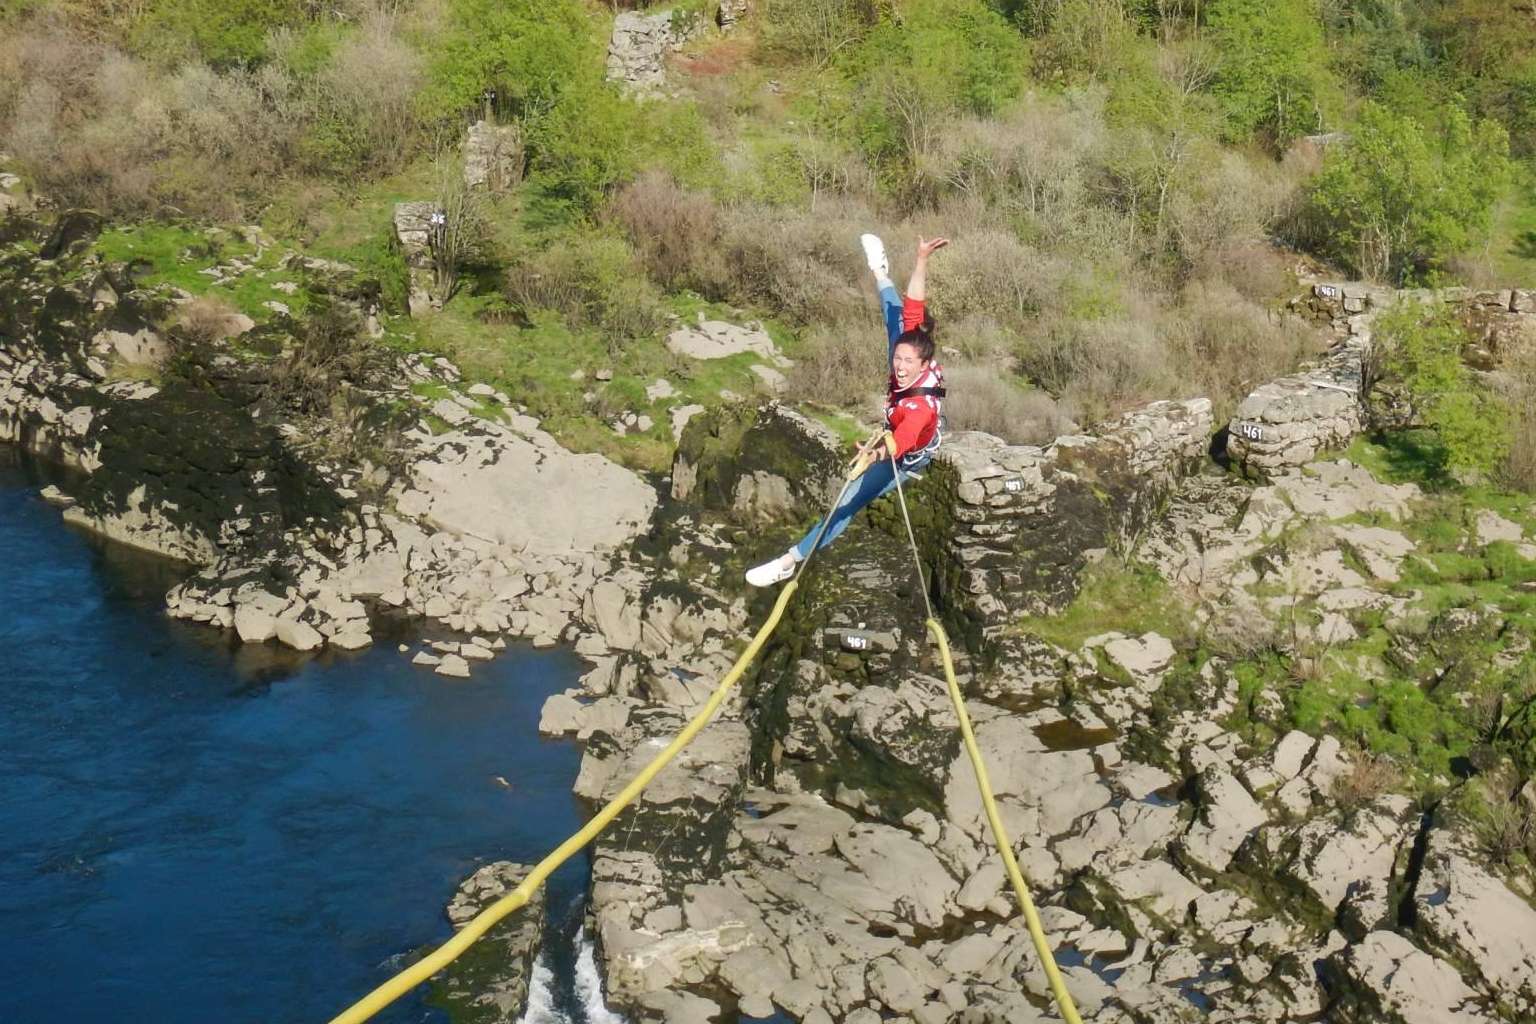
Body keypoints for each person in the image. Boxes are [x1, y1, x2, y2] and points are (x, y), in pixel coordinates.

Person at [746, 234, 950, 587]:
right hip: (898, 428)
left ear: (923, 362)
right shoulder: (912, 350)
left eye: (906, 362)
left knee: (849, 500)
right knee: (896, 318)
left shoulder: (919, 407)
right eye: (897, 359)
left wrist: (874, 456)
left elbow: (901, 441)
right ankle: (880, 271)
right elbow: (915, 299)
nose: (899, 366)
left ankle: (789, 560)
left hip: (905, 458)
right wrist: (921, 259)